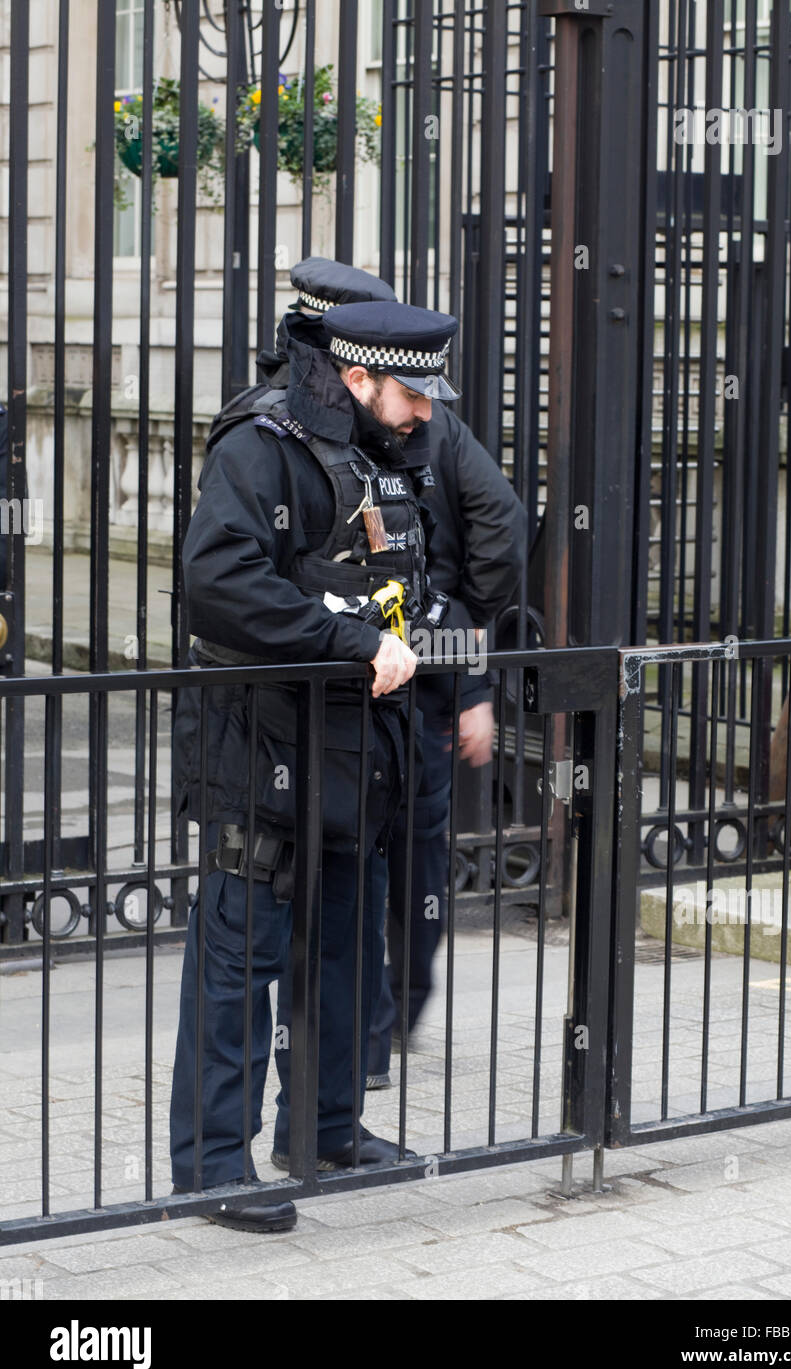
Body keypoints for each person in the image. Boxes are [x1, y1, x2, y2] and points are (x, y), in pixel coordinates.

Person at [169, 300, 462, 1233]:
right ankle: (215, 1165)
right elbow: (216, 587)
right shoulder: (259, 446)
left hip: (357, 750)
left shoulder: (380, 452)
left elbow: (405, 579)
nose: (424, 414)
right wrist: (343, 640)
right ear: (357, 378)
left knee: (342, 953)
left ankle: (327, 1131)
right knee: (241, 958)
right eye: (411, 393)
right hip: (264, 746)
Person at [261, 261, 526, 1147]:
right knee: (365, 879)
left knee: (362, 878)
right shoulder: (290, 426)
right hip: (367, 674)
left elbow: (487, 527)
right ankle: (348, 1069)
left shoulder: (404, 416)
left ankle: (346, 1079)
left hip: (371, 681)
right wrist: (462, 638)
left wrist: (463, 652)